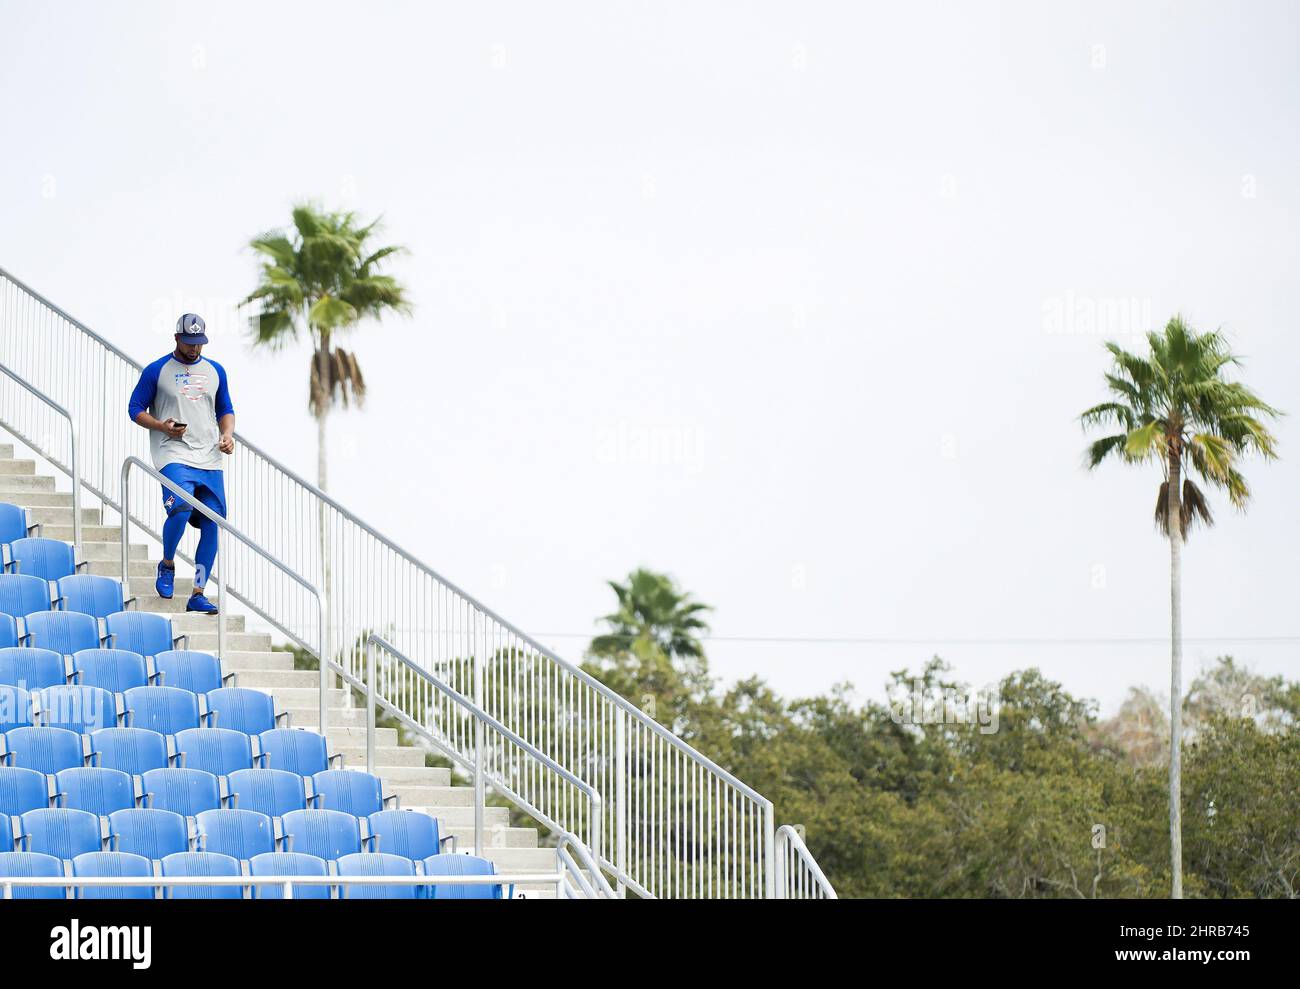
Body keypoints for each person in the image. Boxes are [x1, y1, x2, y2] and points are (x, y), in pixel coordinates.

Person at [127, 313, 235, 613]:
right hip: (172, 452)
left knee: (213, 522)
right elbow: (134, 408)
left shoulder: (216, 371)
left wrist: (227, 434)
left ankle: (198, 591)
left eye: (199, 344)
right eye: (189, 342)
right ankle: (167, 563)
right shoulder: (156, 370)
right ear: (177, 338)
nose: (194, 349)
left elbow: (225, 408)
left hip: (209, 457)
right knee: (181, 507)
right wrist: (161, 426)